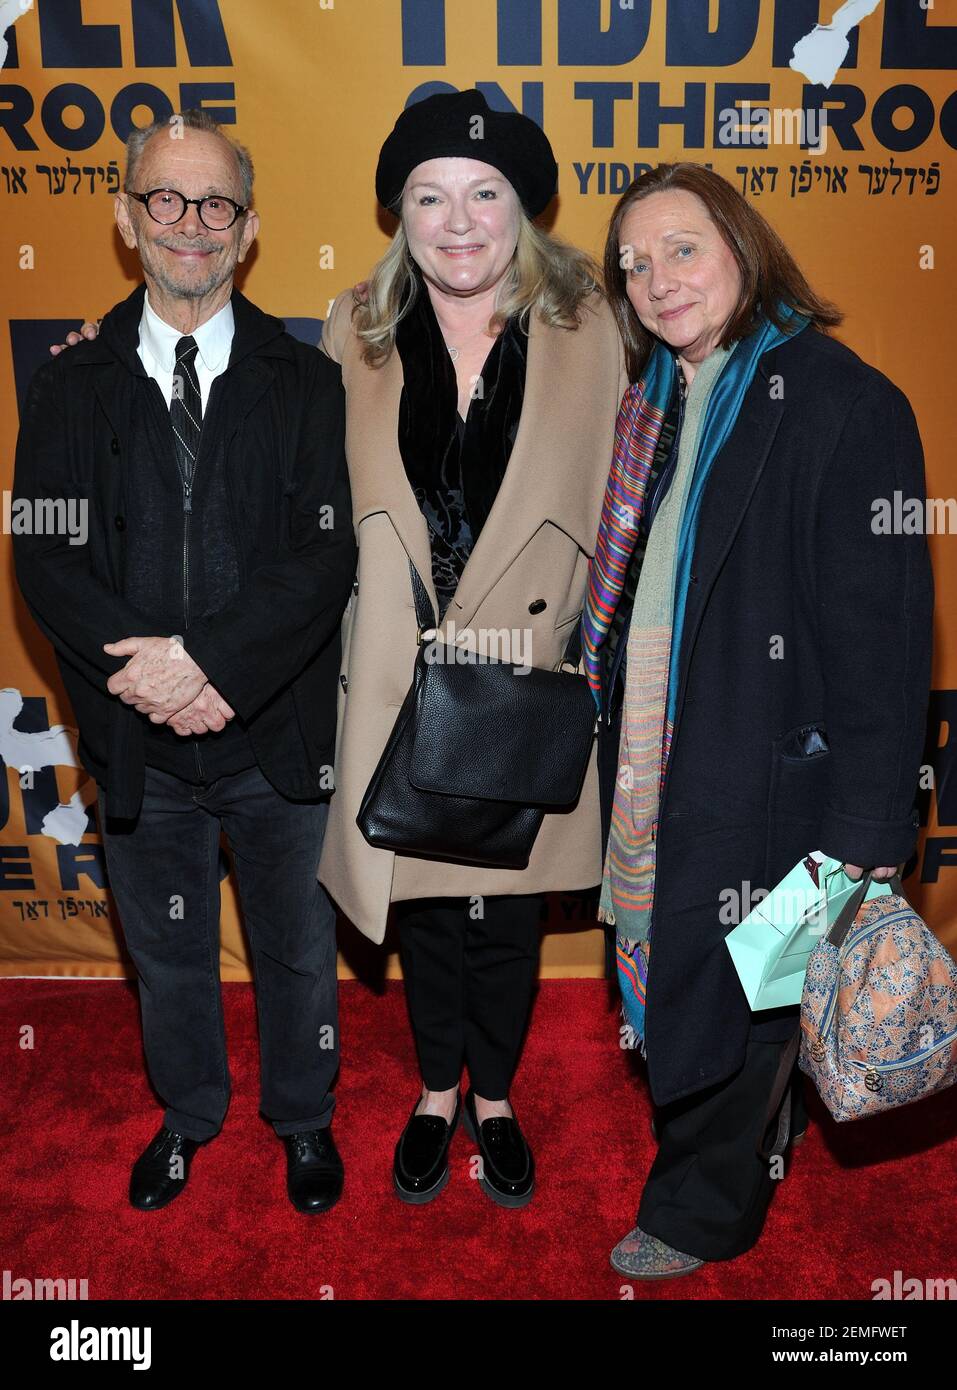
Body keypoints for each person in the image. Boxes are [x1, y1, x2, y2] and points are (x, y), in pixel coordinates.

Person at [583, 162, 934, 1277]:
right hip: (661, 759)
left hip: (779, 778)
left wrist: (874, 835)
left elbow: (887, 645)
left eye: (681, 248)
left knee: (739, 997)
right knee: (702, 981)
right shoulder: (659, 399)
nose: (656, 279)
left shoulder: (846, 402)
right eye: (635, 263)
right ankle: (761, 1130)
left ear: (743, 243)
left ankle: (700, 1210)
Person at [14, 110, 357, 1214]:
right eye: (166, 199)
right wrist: (152, 676)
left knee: (299, 954)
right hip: (136, 742)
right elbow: (46, 551)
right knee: (167, 957)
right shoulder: (67, 385)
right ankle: (190, 1114)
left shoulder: (304, 382)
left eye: (216, 204)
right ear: (125, 217)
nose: (191, 225)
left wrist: (210, 665)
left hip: (275, 736)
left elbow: (321, 556)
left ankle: (304, 1120)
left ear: (249, 230)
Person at [318, 89, 627, 1207]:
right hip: (400, 673)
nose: (458, 221)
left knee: (504, 904)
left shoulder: (596, 326)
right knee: (428, 906)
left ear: (523, 210)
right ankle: (433, 1088)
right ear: (399, 212)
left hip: (526, 672)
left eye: (484, 194)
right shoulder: (350, 329)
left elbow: (638, 495)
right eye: (429, 195)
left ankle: (492, 1093)